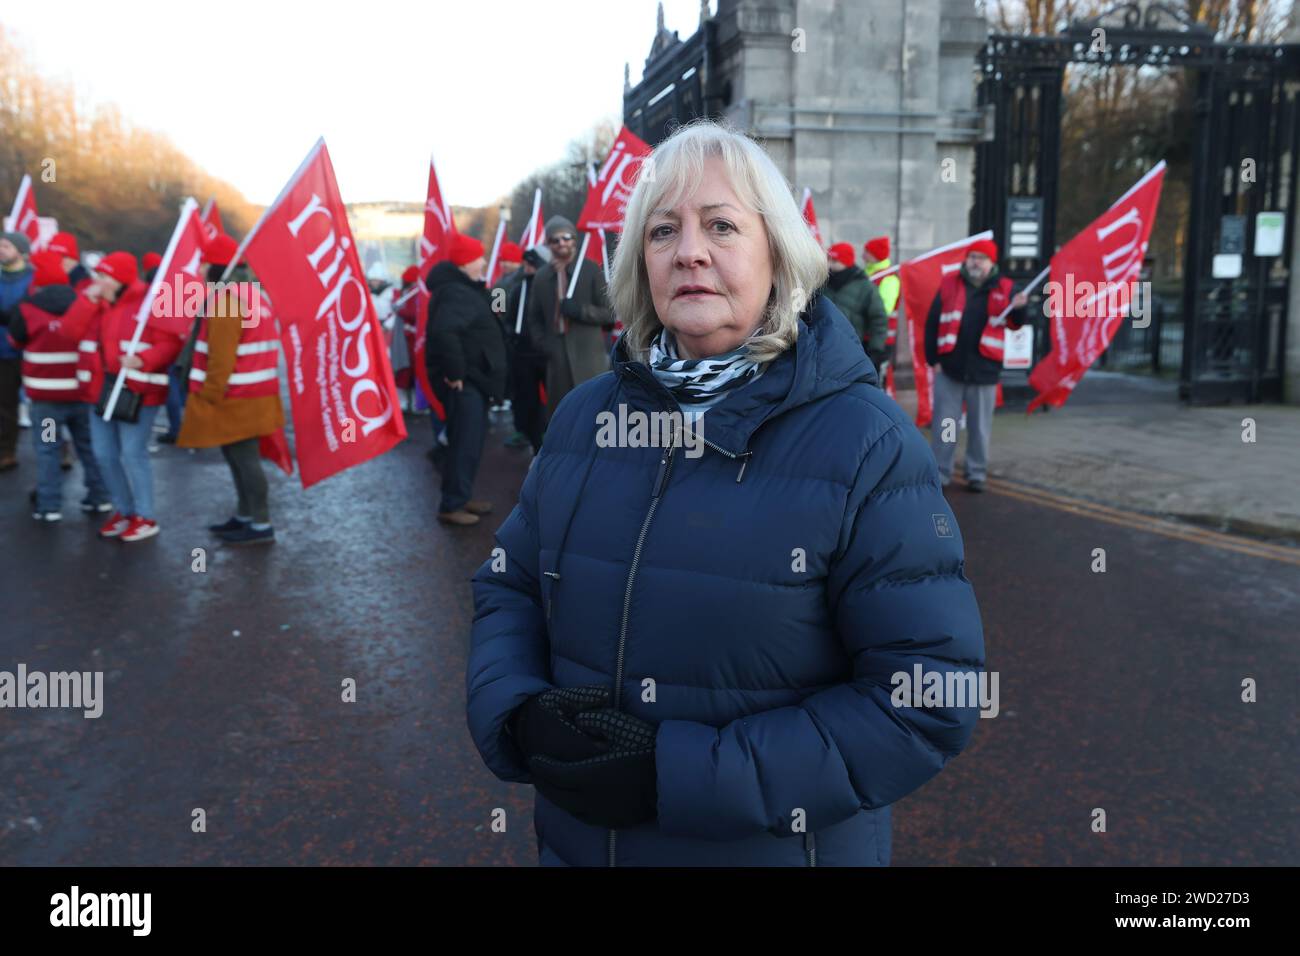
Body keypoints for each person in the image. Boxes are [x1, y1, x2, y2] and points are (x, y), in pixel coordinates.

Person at [466, 120, 984, 867]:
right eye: (663, 230)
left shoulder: (866, 440)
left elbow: (930, 697)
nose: (689, 252)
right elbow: (507, 586)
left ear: (778, 250)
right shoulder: (584, 417)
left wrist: (675, 776)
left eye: (721, 226)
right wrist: (515, 712)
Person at [62, 251, 181, 541]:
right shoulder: (95, 303)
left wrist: (144, 358)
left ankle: (145, 515)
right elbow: (69, 333)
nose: (96, 281)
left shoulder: (150, 302)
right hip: (100, 392)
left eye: (103, 276)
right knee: (103, 454)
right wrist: (86, 302)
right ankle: (124, 510)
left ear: (120, 279)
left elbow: (171, 342)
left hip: (138, 393)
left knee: (132, 453)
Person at [176, 234, 284, 546]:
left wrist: (209, 395)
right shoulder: (254, 296)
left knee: (244, 459)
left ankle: (259, 523)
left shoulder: (226, 300)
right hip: (255, 394)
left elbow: (220, 357)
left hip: (234, 397)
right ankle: (246, 516)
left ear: (216, 267)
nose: (199, 271)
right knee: (240, 457)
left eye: (204, 264)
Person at [7, 251, 111, 520]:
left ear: (38, 281)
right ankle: (99, 498)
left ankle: (49, 504)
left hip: (47, 399)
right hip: (81, 395)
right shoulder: (82, 302)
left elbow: (15, 342)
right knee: (88, 447)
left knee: (48, 450)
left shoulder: (27, 307)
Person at [923, 238, 1029, 493]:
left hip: (984, 371)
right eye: (972, 257)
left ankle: (976, 473)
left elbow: (1017, 323)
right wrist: (933, 360)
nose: (975, 262)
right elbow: (933, 321)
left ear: (991, 263)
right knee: (946, 425)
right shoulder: (950, 283)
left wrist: (1020, 309)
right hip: (950, 369)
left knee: (979, 428)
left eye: (981, 258)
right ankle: (941, 470)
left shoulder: (1006, 288)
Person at [425, 232, 507, 526]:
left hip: (475, 379)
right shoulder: (455, 292)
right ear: (464, 263)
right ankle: (452, 504)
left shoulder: (463, 289)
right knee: (464, 441)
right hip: (466, 381)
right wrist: (456, 372)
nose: (484, 262)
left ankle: (462, 494)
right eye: (478, 257)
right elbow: (445, 333)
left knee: (470, 441)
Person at [524, 215, 613, 421]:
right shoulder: (542, 277)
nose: (561, 243)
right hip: (557, 361)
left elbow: (609, 312)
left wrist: (580, 311)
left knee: (595, 418)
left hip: (590, 360)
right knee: (564, 419)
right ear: (548, 244)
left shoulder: (590, 269)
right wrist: (543, 344)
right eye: (555, 240)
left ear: (574, 239)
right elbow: (534, 318)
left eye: (566, 237)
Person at [501, 246, 549, 453]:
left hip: (543, 352)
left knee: (550, 395)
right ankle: (527, 432)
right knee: (524, 398)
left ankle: (545, 432)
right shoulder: (503, 286)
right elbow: (500, 315)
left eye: (509, 261)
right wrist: (508, 332)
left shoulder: (546, 284)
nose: (505, 265)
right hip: (521, 351)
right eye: (503, 261)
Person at [0, 231, 34, 472]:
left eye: (6, 246)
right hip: (4, 351)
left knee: (46, 408)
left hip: (34, 351)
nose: (1, 250)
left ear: (20, 251)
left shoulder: (36, 278)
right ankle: (7, 451)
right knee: (5, 406)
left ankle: (56, 446)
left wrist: (13, 315)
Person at [821, 241, 887, 367]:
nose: (829, 265)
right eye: (828, 260)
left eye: (834, 261)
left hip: (852, 351)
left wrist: (876, 350)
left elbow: (878, 319)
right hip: (822, 348)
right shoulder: (821, 284)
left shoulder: (865, 287)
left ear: (845, 262)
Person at [863, 235, 900, 372]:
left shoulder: (888, 278)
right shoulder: (869, 275)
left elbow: (884, 310)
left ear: (874, 255)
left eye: (866, 252)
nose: (863, 256)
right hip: (867, 337)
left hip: (881, 341)